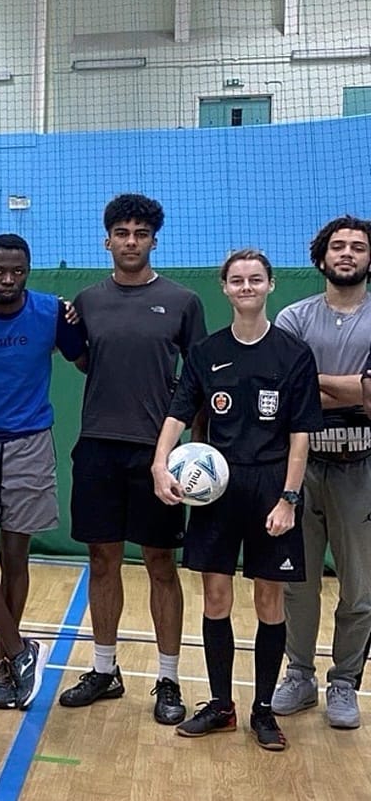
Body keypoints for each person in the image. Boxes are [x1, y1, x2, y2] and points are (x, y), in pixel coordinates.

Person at [153, 249, 323, 751]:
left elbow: (300, 436)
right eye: (236, 280)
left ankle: (264, 710)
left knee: (270, 600)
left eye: (255, 279)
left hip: (272, 487)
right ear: (224, 288)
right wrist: (161, 462)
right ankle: (222, 704)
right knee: (217, 596)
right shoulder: (206, 352)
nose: (246, 286)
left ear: (271, 286)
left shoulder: (293, 353)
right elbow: (179, 413)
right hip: (217, 491)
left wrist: (289, 498)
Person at [59, 194, 206, 725]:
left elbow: (198, 377)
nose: (130, 241)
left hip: (158, 453)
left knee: (161, 564)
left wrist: (192, 448)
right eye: (121, 232)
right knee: (102, 560)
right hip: (97, 446)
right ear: (107, 240)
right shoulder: (88, 301)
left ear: (153, 241)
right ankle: (105, 669)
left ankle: (168, 678)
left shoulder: (183, 300)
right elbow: (84, 360)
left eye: (140, 233)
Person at [0, 234, 85, 710]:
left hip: (29, 445)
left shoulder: (51, 313)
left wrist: (80, 316)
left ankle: (8, 667)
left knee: (14, 556)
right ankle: (17, 646)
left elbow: (86, 358)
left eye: (17, 272)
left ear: (28, 271)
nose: (8, 280)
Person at [272, 216, 371, 729]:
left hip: (364, 467)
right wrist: (352, 388)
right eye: (338, 246)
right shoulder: (293, 318)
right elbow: (287, 393)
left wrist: (314, 382)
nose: (347, 254)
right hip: (302, 467)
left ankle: (345, 682)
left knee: (359, 586)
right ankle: (300, 675)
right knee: (299, 583)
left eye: (357, 246)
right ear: (321, 257)